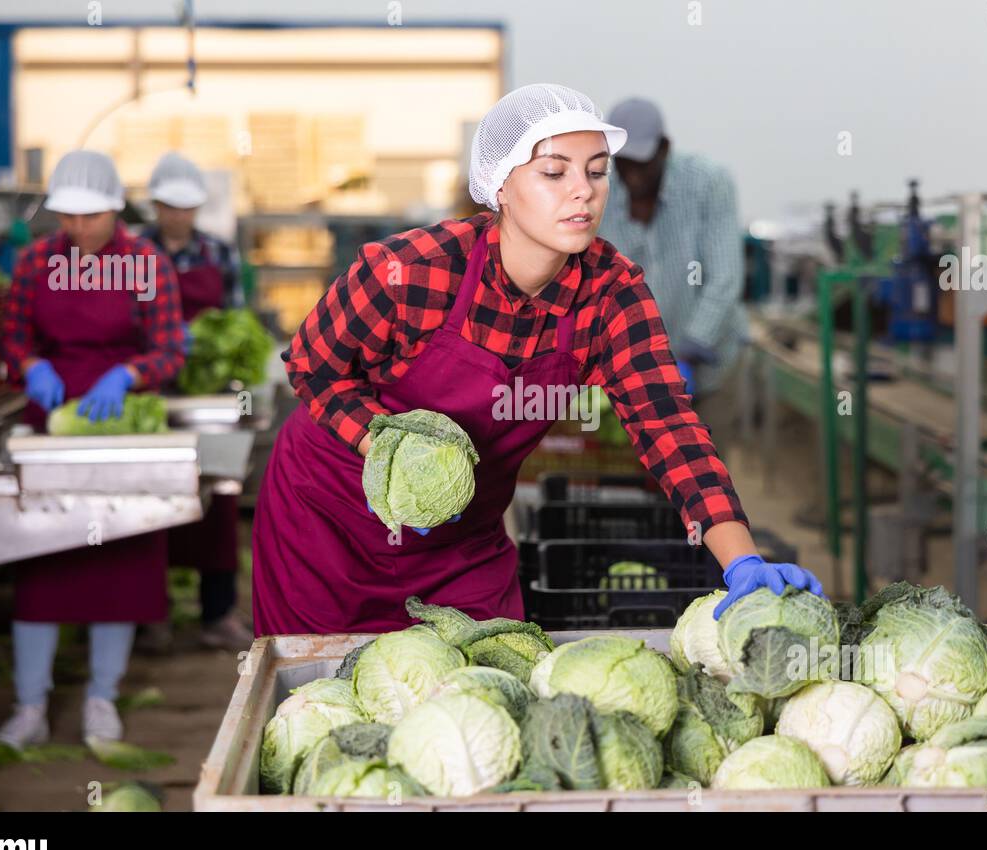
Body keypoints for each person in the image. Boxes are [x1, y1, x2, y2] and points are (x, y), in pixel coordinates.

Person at [252, 84, 822, 636]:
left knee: (483, 691)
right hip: (328, 521)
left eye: (597, 171)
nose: (584, 191)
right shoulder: (409, 271)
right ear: (499, 185)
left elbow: (668, 428)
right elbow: (312, 367)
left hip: (462, 540)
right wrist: (392, 457)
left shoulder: (610, 293)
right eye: (555, 172)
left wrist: (740, 561)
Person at [0, 150, 185, 749]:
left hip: (120, 423)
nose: (77, 230)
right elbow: (12, 342)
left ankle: (102, 696)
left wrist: (128, 376)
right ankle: (30, 706)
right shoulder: (34, 262)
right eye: (67, 218)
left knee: (116, 560)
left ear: (114, 209)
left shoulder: (145, 262)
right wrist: (30, 365)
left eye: (90, 217)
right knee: (43, 558)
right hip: (52, 426)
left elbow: (170, 349)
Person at [141, 152, 250, 653]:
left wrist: (214, 353)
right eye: (169, 206)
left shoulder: (220, 254)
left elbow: (239, 326)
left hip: (207, 396)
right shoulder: (134, 253)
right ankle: (150, 615)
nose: (177, 215)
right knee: (149, 500)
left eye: (186, 207)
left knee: (219, 499)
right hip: (148, 395)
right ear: (156, 205)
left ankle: (218, 614)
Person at [598, 96, 747, 451]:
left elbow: (724, 278)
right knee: (641, 482)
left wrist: (689, 350)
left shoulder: (708, 184)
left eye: (642, 164)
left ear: (664, 148)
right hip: (635, 379)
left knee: (705, 479)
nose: (632, 176)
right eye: (624, 164)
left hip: (708, 371)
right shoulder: (602, 194)